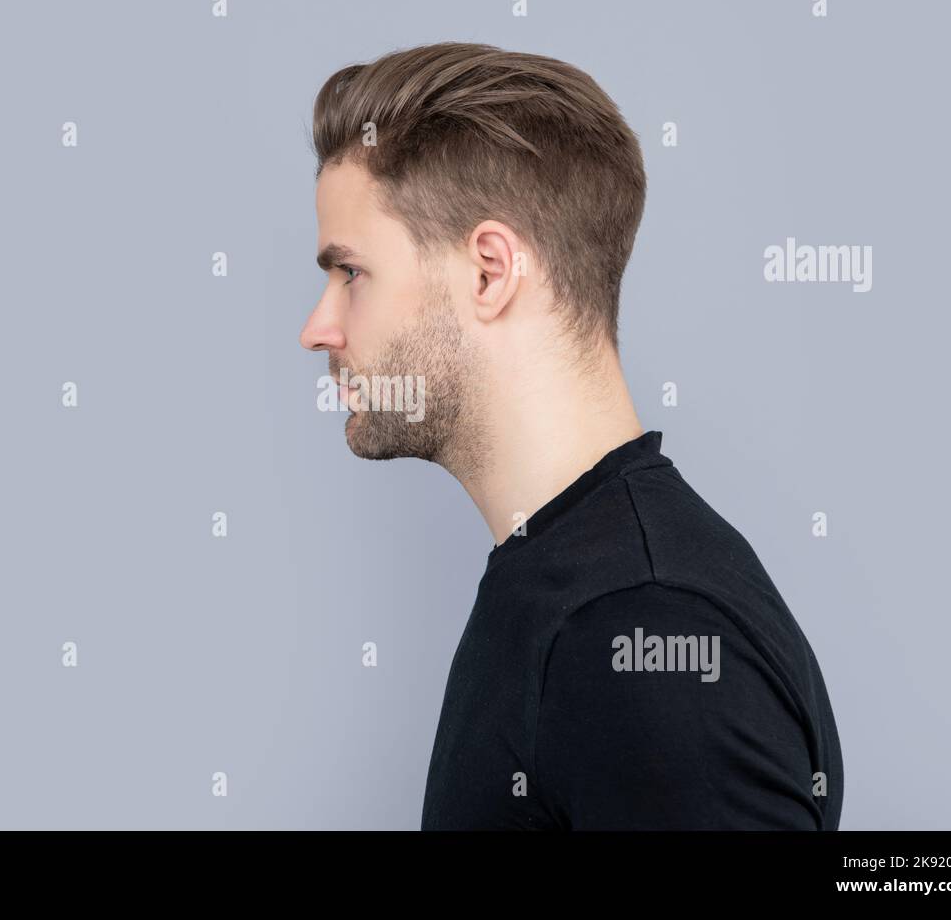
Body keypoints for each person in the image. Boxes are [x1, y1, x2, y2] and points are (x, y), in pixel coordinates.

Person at [300, 42, 842, 830]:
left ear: (488, 271)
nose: (319, 328)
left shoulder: (641, 630)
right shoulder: (568, 586)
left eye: (350, 273)